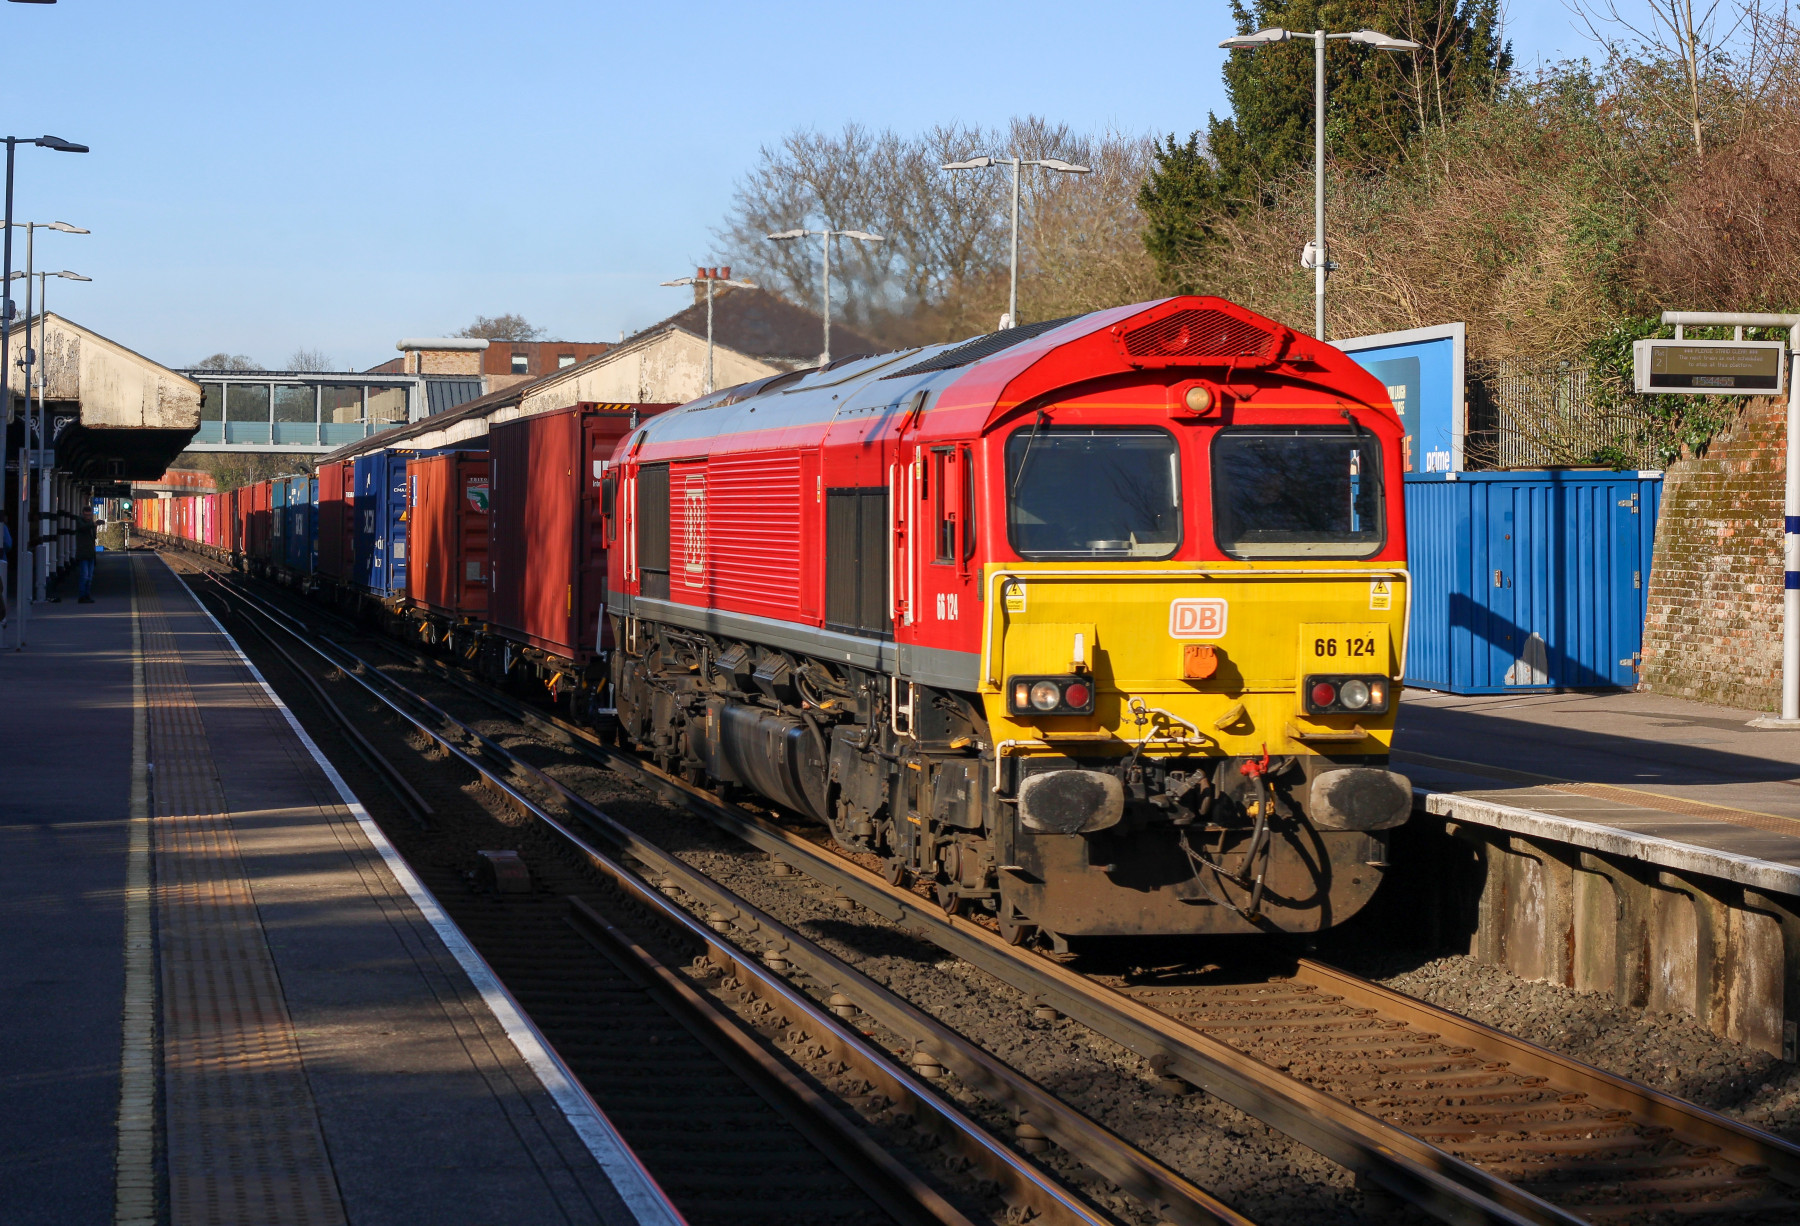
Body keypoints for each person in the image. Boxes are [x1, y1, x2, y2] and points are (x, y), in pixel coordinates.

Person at [74, 507, 97, 604]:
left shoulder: (91, 525)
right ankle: (82, 596)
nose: (88, 517)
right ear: (83, 514)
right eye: (86, 515)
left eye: (89, 515)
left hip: (90, 554)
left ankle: (87, 595)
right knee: (84, 576)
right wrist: (93, 524)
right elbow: (83, 527)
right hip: (83, 554)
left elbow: (93, 539)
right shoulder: (80, 522)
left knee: (90, 577)